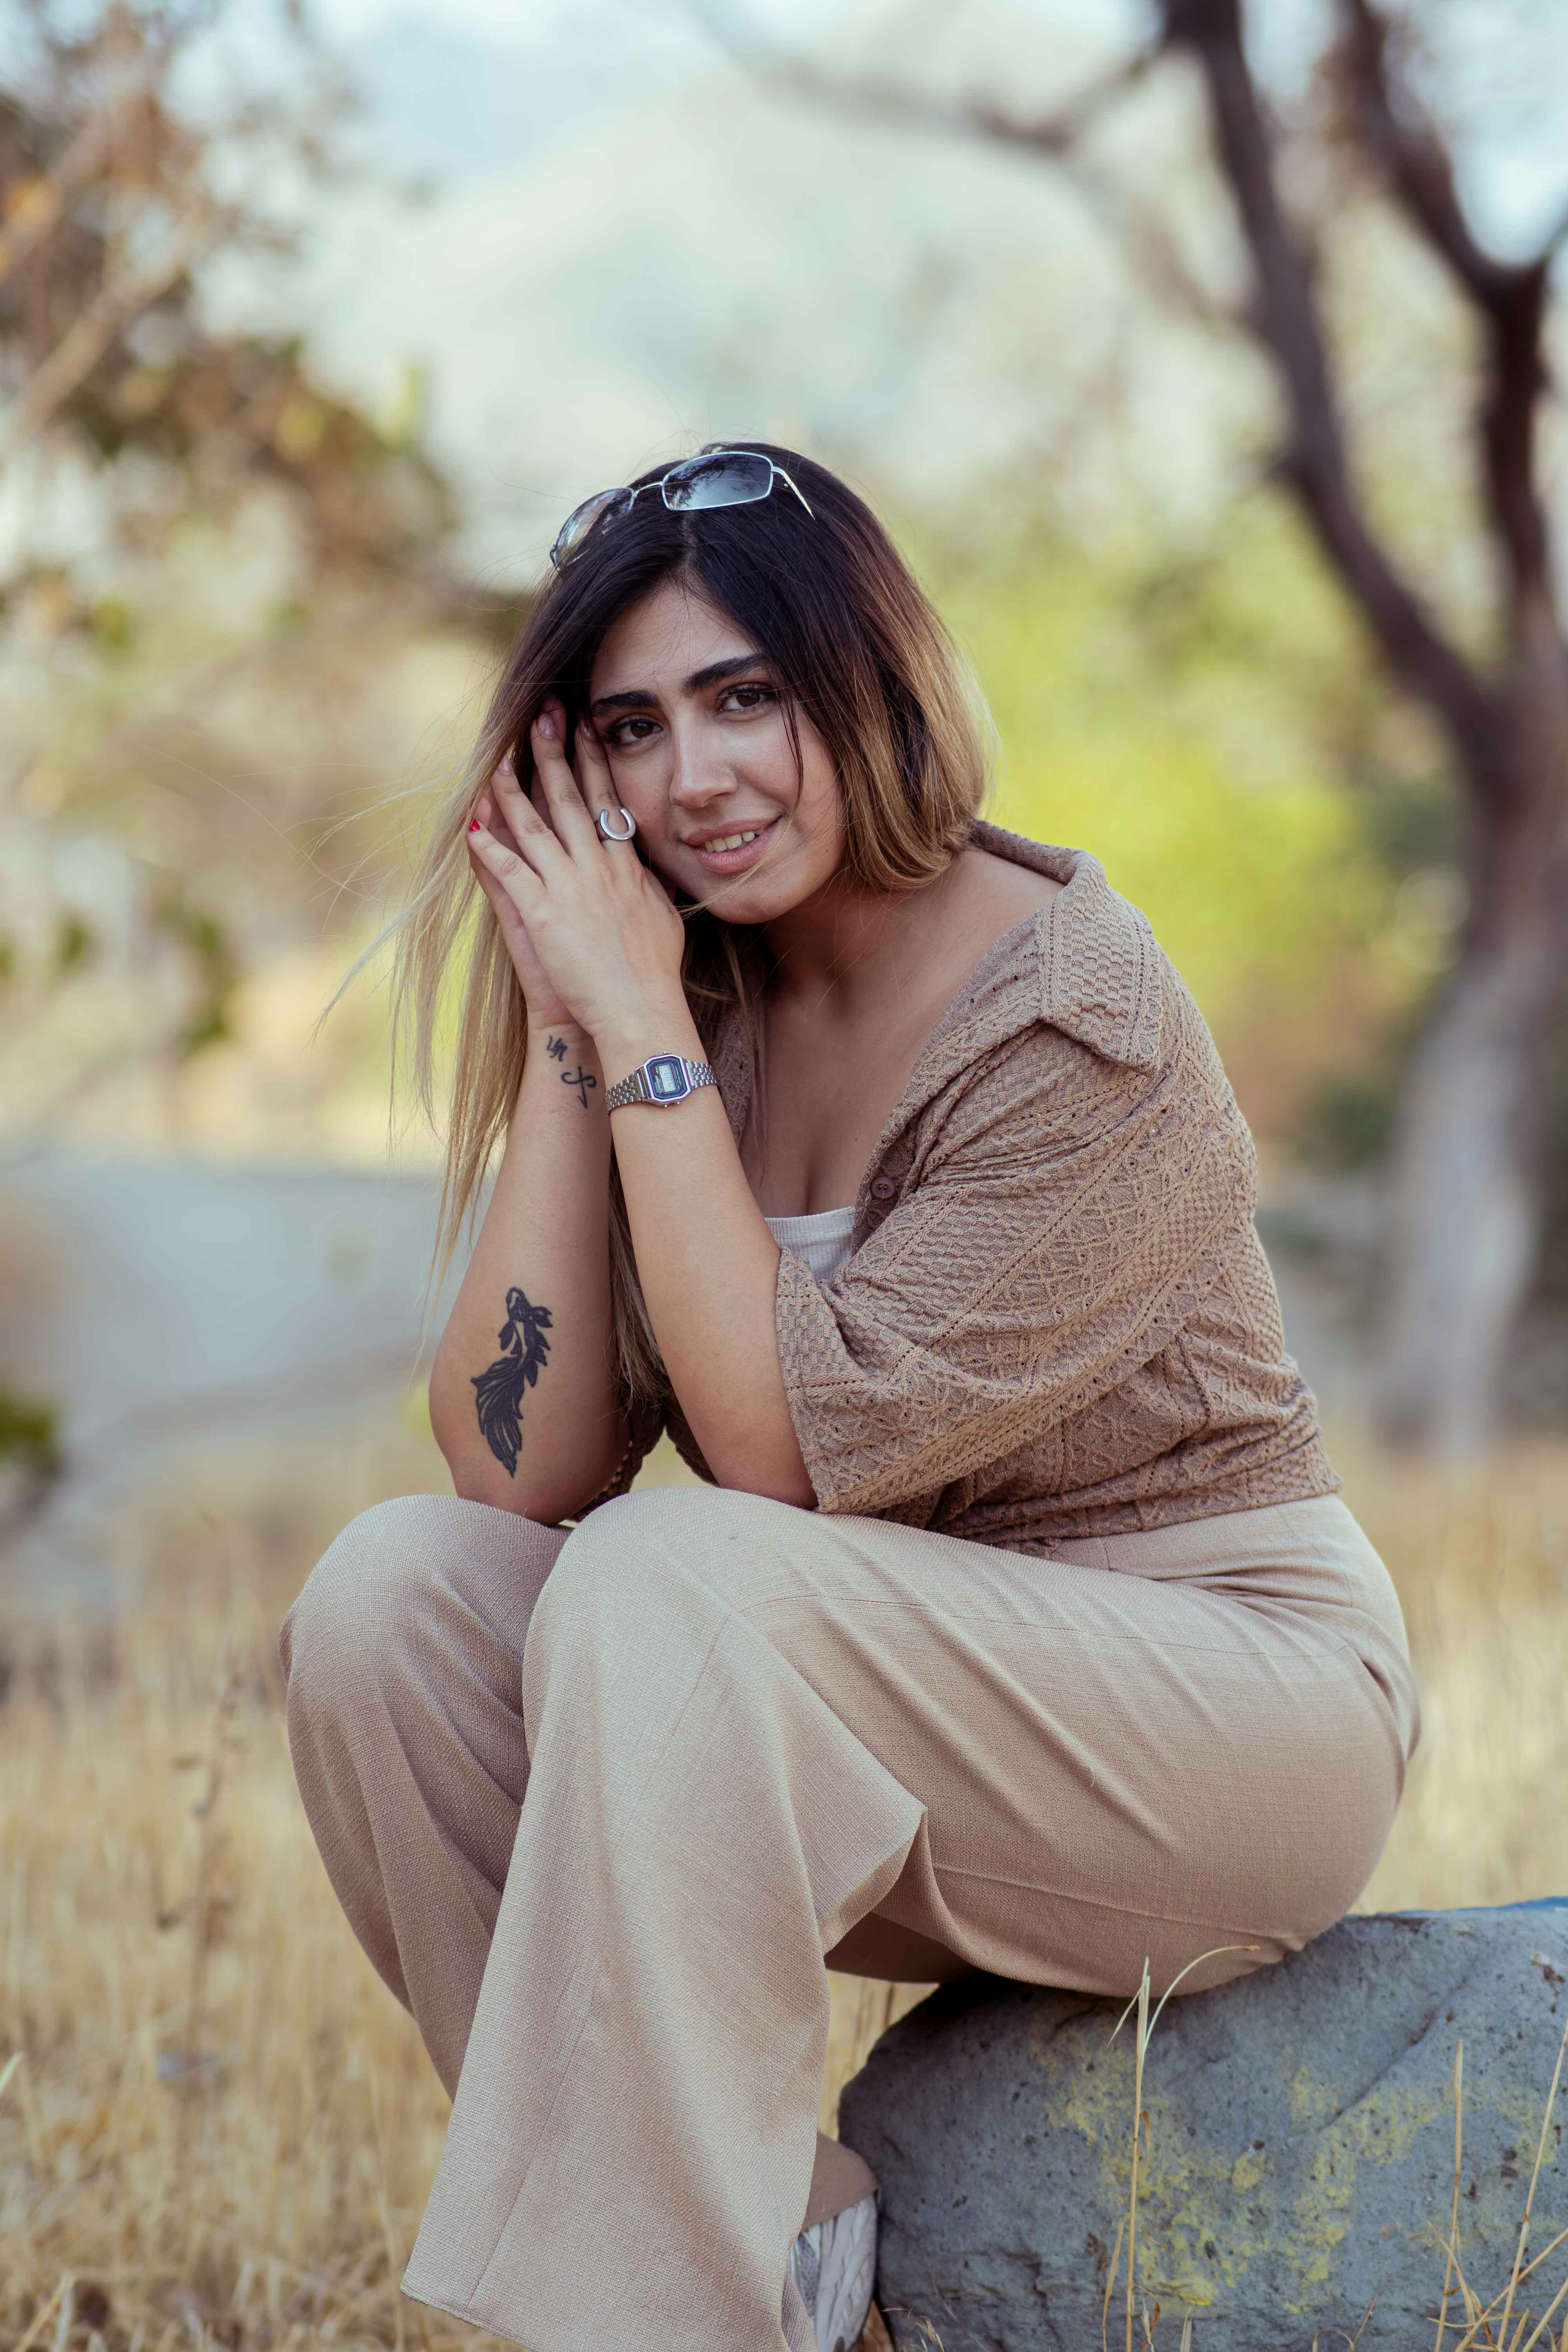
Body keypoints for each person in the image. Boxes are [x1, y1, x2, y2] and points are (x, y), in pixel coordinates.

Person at [279, 444, 1419, 2352]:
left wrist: (638, 1030)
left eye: (747, 698)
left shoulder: (1074, 1015)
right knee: (389, 1603)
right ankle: (783, 2272)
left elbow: (778, 1467)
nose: (696, 776)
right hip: (863, 1712)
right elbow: (510, 1462)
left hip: (1224, 1705)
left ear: (870, 684)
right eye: (631, 730)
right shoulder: (687, 1006)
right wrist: (583, 1021)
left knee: (673, 1568)